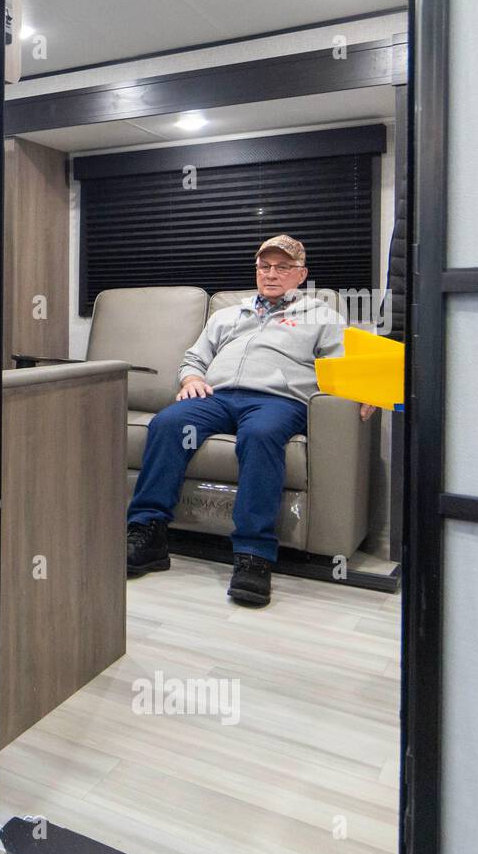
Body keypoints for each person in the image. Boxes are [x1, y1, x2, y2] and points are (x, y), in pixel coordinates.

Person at [126, 235, 376, 607]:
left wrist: (365, 388)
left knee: (259, 436)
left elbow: (346, 364)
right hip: (217, 396)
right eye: (264, 266)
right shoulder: (228, 315)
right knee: (167, 423)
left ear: (301, 274)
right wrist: (192, 378)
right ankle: (149, 533)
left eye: (282, 267)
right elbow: (195, 358)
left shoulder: (321, 315)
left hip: (277, 401)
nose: (271, 274)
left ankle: (253, 555)